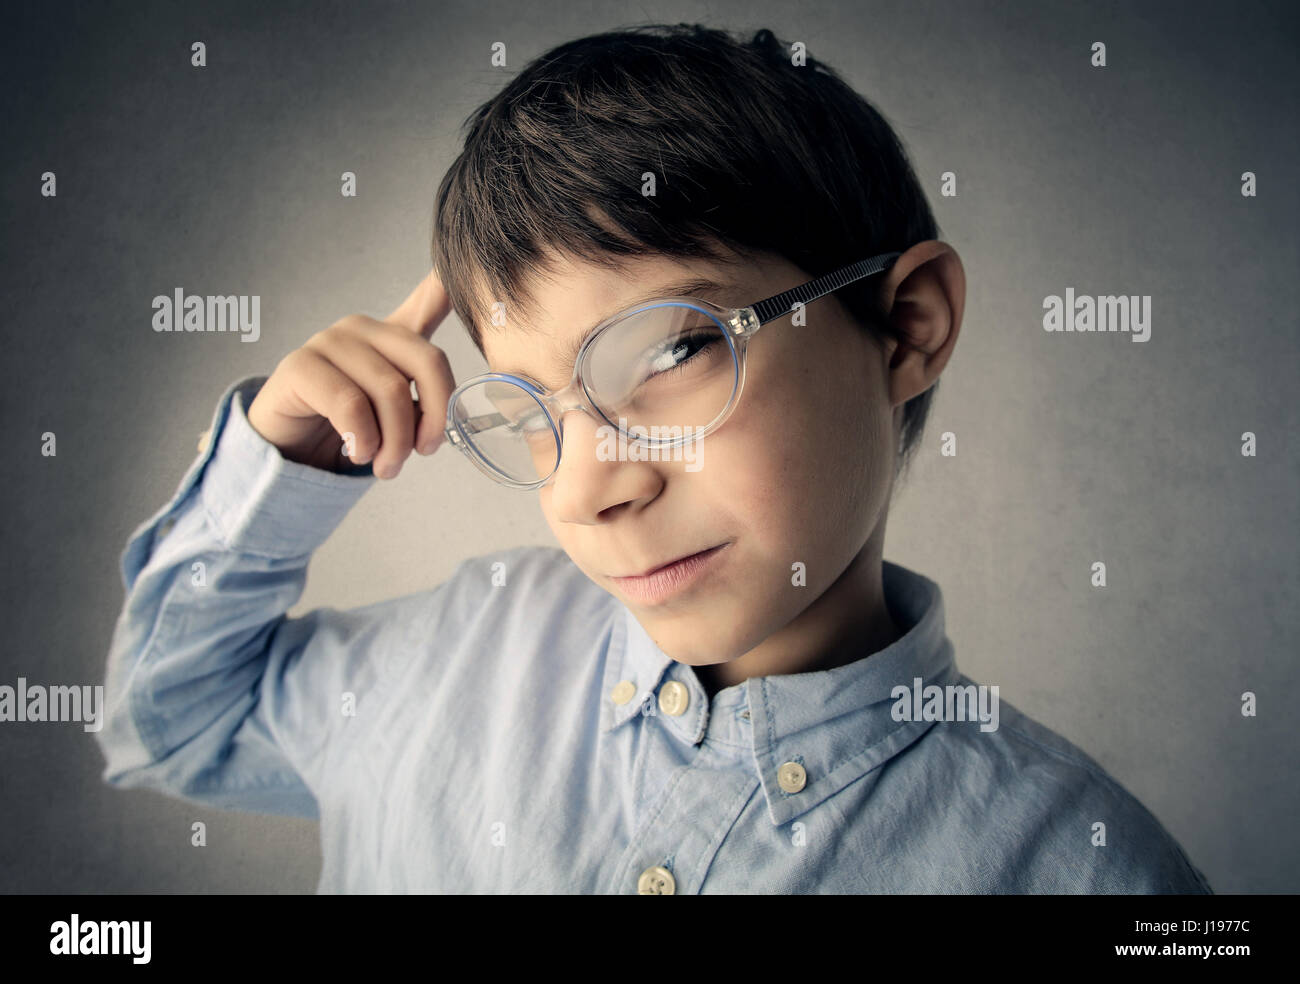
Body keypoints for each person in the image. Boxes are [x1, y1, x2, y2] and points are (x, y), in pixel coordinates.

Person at [95, 23, 1211, 893]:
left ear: (906, 324)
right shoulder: (450, 657)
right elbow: (169, 725)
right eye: (530, 410)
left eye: (674, 348)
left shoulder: (1083, 867)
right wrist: (285, 465)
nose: (585, 489)